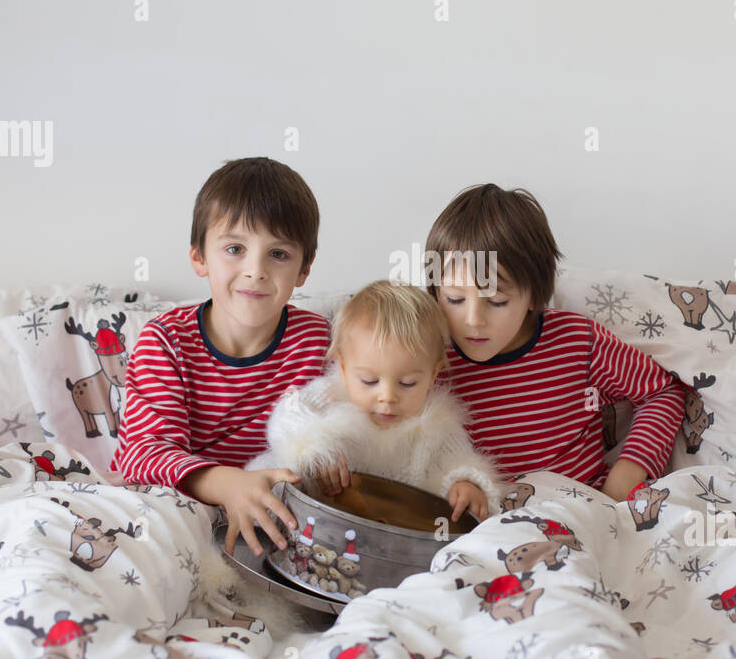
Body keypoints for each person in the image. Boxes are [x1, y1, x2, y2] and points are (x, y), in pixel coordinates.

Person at [113, 156, 330, 557]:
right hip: (180, 512)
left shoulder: (318, 341)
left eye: (278, 254)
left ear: (304, 270)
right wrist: (229, 484)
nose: (255, 270)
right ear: (199, 257)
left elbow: (354, 422)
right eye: (235, 248)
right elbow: (143, 455)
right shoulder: (165, 342)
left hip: (280, 525)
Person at [425, 184, 686, 501]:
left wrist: (628, 471)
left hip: (583, 513)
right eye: (454, 299)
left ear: (534, 296)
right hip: (486, 526)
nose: (473, 319)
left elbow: (661, 392)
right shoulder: (431, 357)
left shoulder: (577, 342)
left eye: (496, 301)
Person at [249, 280, 502, 522]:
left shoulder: (436, 424)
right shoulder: (330, 395)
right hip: (315, 510)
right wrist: (320, 451)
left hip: (388, 531)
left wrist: (466, 485)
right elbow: (287, 418)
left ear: (433, 375)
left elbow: (459, 461)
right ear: (344, 368)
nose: (388, 397)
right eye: (370, 381)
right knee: (272, 478)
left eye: (407, 383)